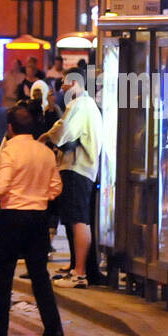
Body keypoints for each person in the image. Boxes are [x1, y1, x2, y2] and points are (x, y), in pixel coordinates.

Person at [0, 100, 65, 336]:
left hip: (11, 216)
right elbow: (56, 188)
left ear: (10, 128)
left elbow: (1, 188)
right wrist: (39, 195)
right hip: (37, 217)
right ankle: (53, 330)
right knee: (40, 276)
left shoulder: (9, 151)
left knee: (4, 275)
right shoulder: (45, 152)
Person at [43, 73, 102, 288]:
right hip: (80, 168)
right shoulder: (87, 105)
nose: (62, 88)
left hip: (77, 168)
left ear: (76, 83)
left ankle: (80, 273)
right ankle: (76, 267)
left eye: (65, 83)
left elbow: (63, 132)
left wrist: (46, 137)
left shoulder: (80, 104)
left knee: (78, 219)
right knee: (74, 218)